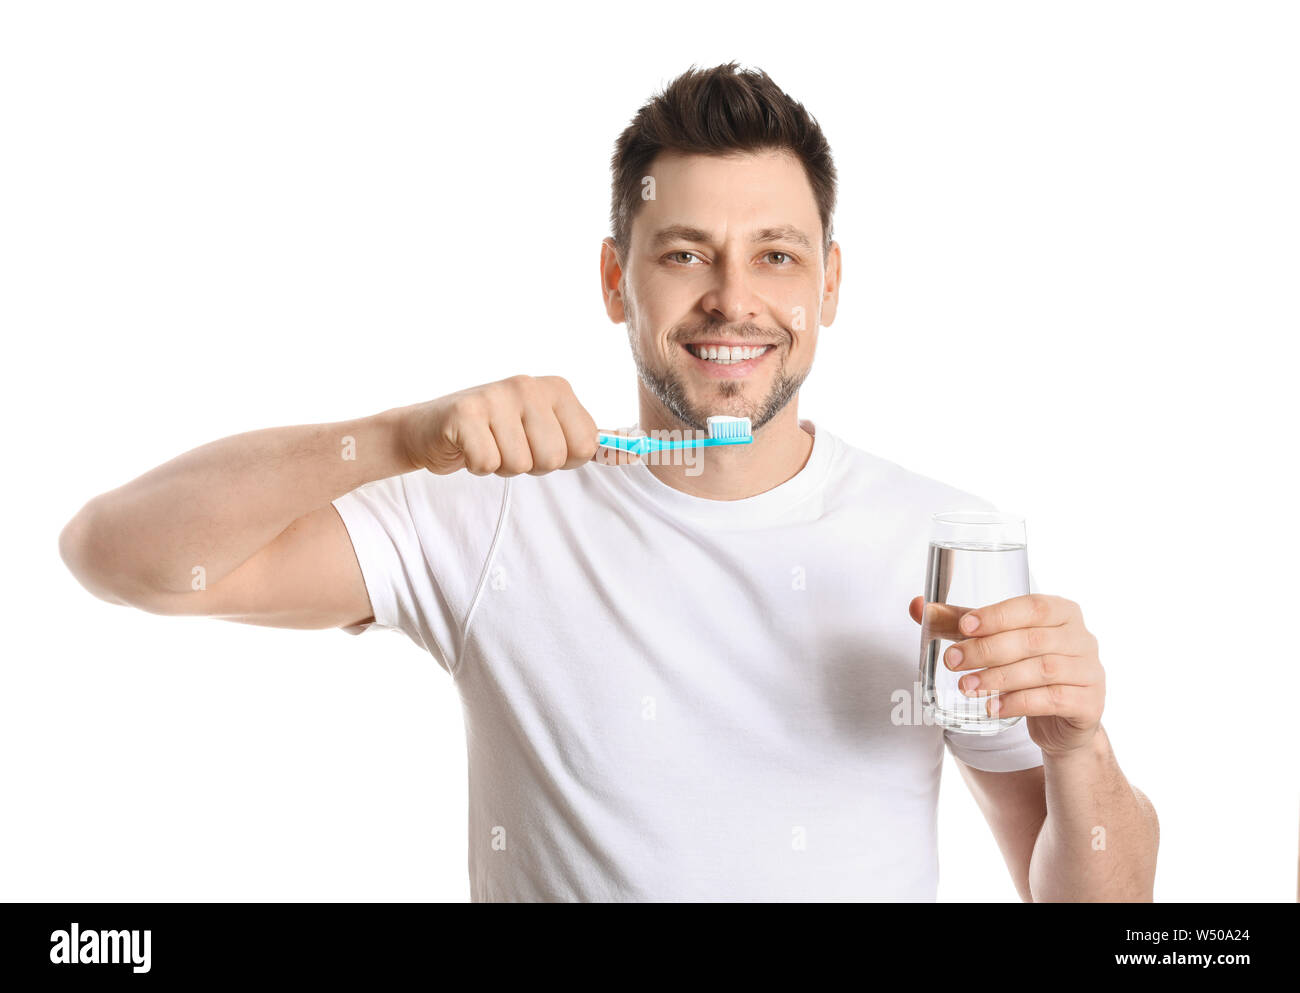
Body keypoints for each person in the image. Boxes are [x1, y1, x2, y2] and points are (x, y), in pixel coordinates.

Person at [58, 61, 1158, 901]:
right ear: (613, 278)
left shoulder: (930, 537)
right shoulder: (483, 514)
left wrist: (1080, 753)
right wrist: (397, 436)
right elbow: (123, 559)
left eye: (775, 255)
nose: (734, 299)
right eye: (684, 253)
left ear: (829, 284)